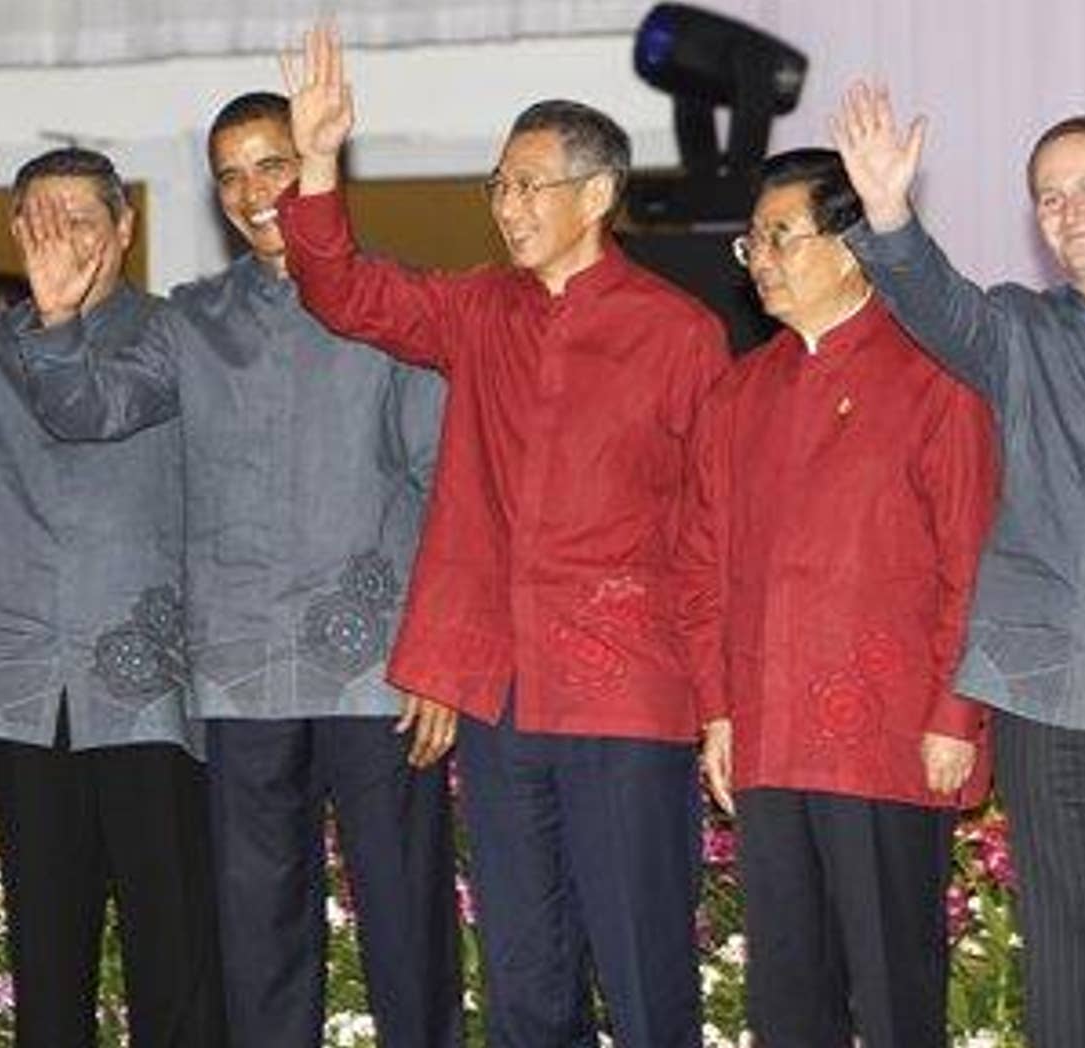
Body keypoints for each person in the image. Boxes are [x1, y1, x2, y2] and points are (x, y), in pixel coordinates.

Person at [275, 26, 730, 1046]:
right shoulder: (478, 307)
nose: (508, 206)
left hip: (626, 687)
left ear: (597, 195)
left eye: (529, 186)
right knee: (523, 963)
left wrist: (718, 702)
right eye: (498, 186)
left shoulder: (678, 333)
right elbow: (340, 290)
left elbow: (709, 531)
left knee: (642, 961)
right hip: (503, 690)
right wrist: (315, 161)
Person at [17, 92, 460, 1047]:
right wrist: (56, 324)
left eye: (273, 165)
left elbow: (445, 492)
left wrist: (442, 656)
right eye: (231, 174)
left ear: (318, 167)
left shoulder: (396, 304)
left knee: (406, 924)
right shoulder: (190, 321)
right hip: (238, 677)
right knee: (257, 942)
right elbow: (91, 410)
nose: (254, 191)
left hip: (376, 675)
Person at [0, 146, 225, 1048]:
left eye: (82, 224)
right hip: (26, 680)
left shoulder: (176, 335)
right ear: (18, 231)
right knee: (47, 955)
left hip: (146, 684)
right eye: (41, 224)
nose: (61, 245)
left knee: (172, 951)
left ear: (126, 228)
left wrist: (57, 323)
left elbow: (91, 407)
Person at [833, 82, 1085, 1045]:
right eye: (1050, 198)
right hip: (1045, 686)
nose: (1069, 212)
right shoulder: (1019, 330)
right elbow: (936, 305)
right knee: (1069, 950)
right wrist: (889, 212)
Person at [679, 147, 998, 1047]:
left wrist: (954, 714)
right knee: (787, 991)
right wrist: (717, 711)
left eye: (781, 236)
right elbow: (701, 565)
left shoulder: (935, 377)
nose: (762, 260)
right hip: (771, 734)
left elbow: (972, 558)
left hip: (893, 737)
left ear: (853, 247)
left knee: (895, 990)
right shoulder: (740, 393)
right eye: (752, 243)